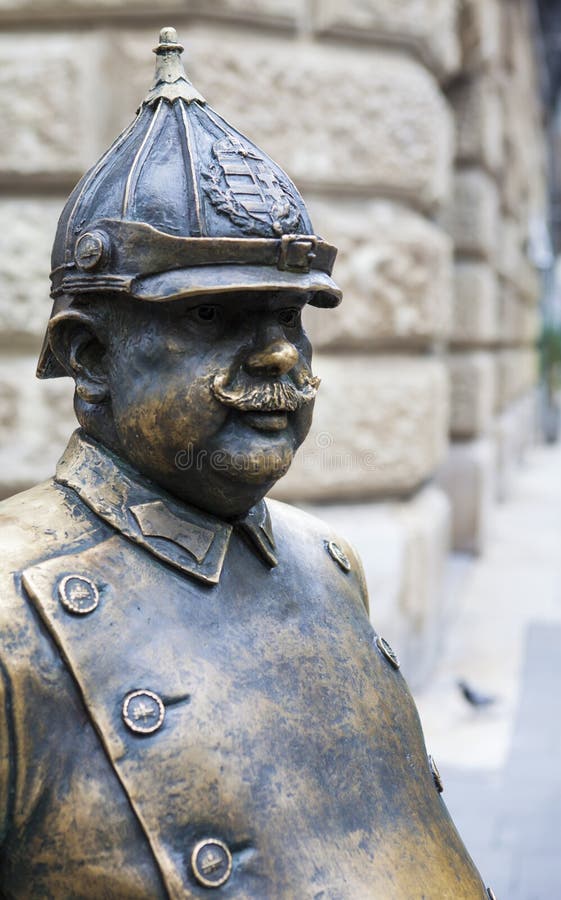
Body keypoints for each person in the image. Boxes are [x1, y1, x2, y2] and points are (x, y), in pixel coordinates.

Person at [0, 27, 493, 898]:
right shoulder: (12, 612)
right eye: (212, 320)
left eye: (290, 320)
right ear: (88, 358)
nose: (279, 359)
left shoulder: (325, 563)